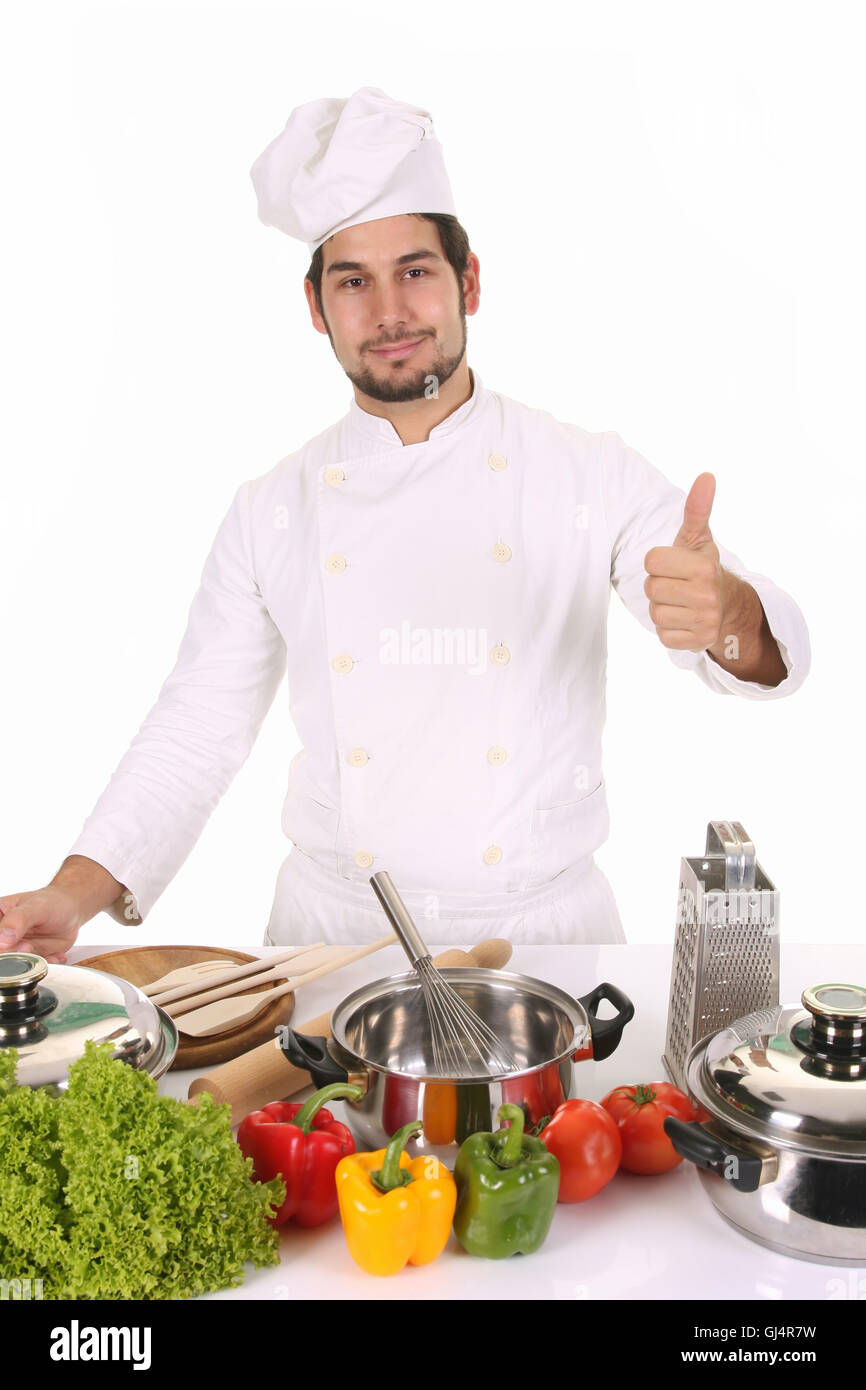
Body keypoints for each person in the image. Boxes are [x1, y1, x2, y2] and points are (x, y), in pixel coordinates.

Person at [0, 87, 810, 961]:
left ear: (468, 281)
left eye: (415, 272)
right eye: (354, 281)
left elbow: (755, 649)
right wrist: (72, 893)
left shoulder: (589, 471)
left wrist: (724, 611)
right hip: (334, 945)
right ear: (317, 310)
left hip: (543, 942)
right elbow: (199, 723)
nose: (388, 311)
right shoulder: (272, 507)